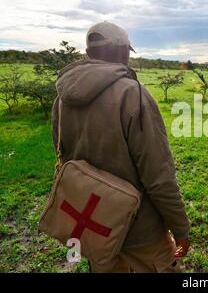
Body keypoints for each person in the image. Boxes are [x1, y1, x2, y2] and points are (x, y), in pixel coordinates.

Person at [52, 21, 190, 272]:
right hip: (139, 230)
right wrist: (180, 227)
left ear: (88, 54)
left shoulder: (62, 98)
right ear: (124, 52)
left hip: (93, 225)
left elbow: (62, 154)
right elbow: (159, 177)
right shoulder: (134, 95)